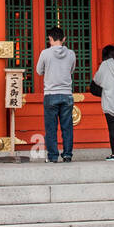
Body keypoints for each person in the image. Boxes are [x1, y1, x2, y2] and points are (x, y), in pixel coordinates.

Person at [35, 25, 76, 162]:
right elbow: (71, 70)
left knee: (51, 128)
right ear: (64, 38)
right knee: (67, 127)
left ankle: (53, 156)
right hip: (66, 94)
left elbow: (39, 71)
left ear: (50, 38)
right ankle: (67, 154)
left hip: (51, 94)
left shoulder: (45, 53)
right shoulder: (71, 54)